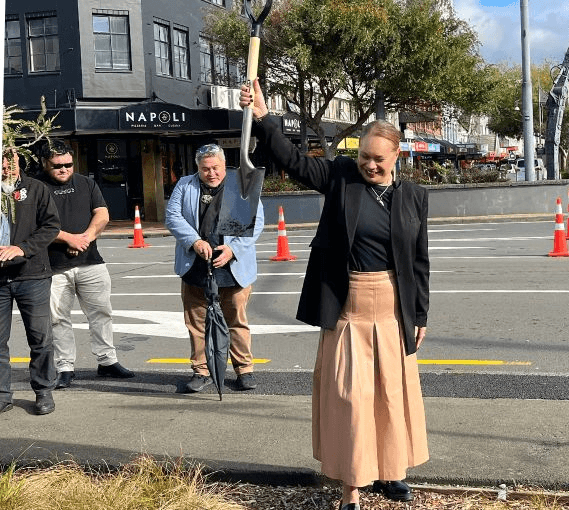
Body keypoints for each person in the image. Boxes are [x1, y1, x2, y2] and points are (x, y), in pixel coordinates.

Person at [240, 80, 430, 510]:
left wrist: (420, 314)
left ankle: (390, 472)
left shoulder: (414, 197)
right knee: (351, 400)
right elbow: (291, 161)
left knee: (390, 395)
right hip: (348, 306)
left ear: (397, 156)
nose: (370, 165)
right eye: (364, 156)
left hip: (393, 307)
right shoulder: (341, 178)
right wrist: (264, 115)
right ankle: (351, 488)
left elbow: (419, 261)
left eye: (378, 159)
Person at [165, 143, 264, 393]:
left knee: (236, 320)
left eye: (216, 168)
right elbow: (173, 217)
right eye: (205, 168)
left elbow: (256, 221)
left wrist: (233, 250)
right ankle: (201, 370)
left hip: (232, 267)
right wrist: (194, 241)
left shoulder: (239, 185)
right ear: (197, 168)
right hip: (195, 265)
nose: (211, 173)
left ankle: (244, 370)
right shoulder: (185, 185)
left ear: (224, 165)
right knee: (196, 322)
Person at [37, 141, 135, 388]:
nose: (64, 170)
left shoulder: (86, 183)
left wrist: (85, 239)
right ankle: (65, 367)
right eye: (57, 166)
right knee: (57, 319)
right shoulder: (36, 186)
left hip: (91, 262)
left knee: (101, 314)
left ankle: (107, 361)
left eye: (68, 164)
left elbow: (102, 214)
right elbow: (35, 225)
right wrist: (69, 238)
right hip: (52, 266)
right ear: (44, 164)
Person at [0, 149, 61, 415]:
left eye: (9, 158)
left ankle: (43, 391)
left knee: (40, 337)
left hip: (32, 274)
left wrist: (22, 248)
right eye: (0, 159)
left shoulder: (35, 188)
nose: (5, 165)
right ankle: (2, 395)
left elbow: (50, 226)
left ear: (18, 159)